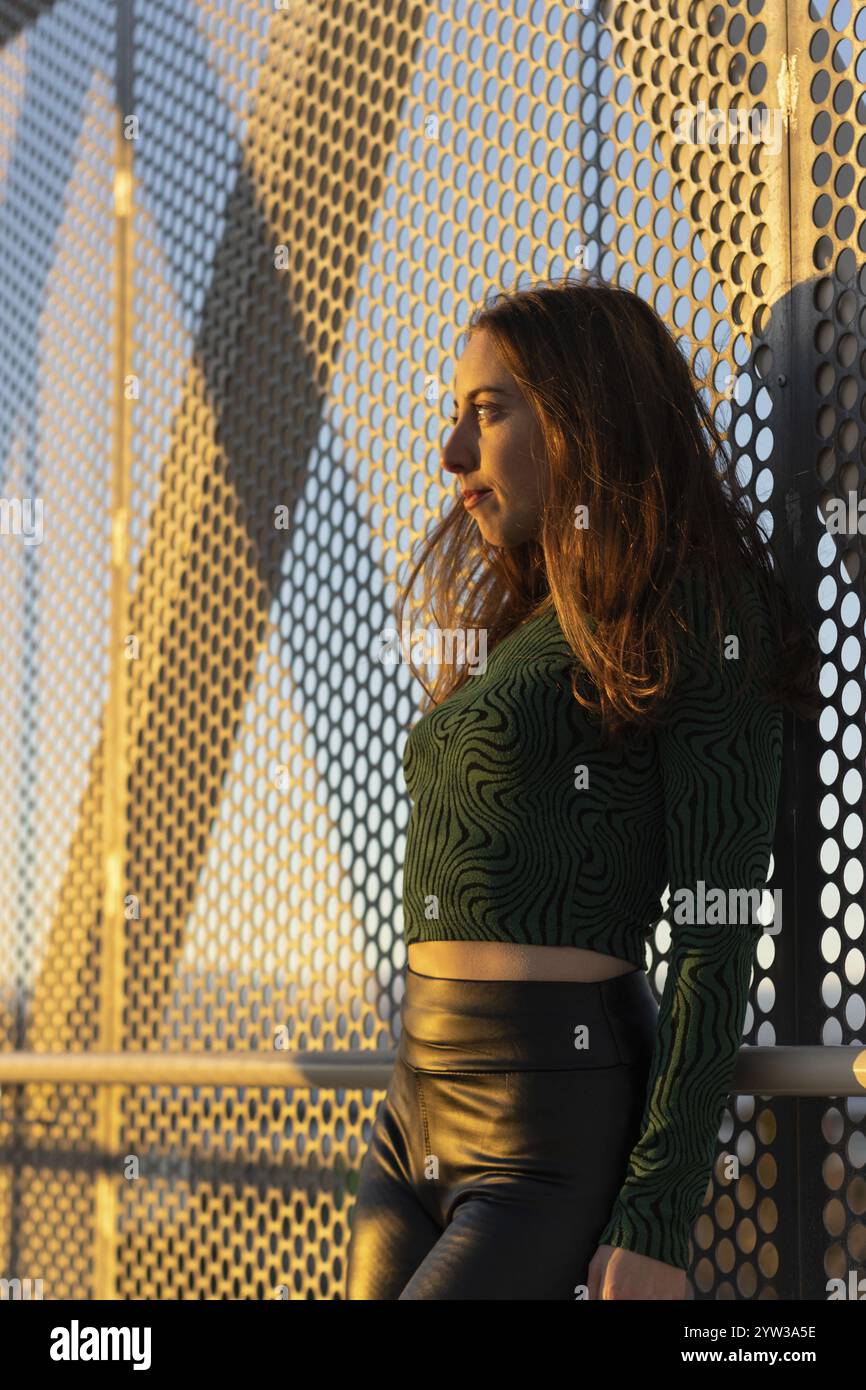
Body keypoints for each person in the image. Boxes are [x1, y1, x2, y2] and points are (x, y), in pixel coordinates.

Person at [346, 275, 820, 1300]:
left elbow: (714, 934)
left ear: (583, 410)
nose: (451, 457)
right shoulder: (525, 634)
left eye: (488, 411)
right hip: (410, 1103)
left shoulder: (697, 603)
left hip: (549, 1116)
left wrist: (656, 1212)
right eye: (453, 416)